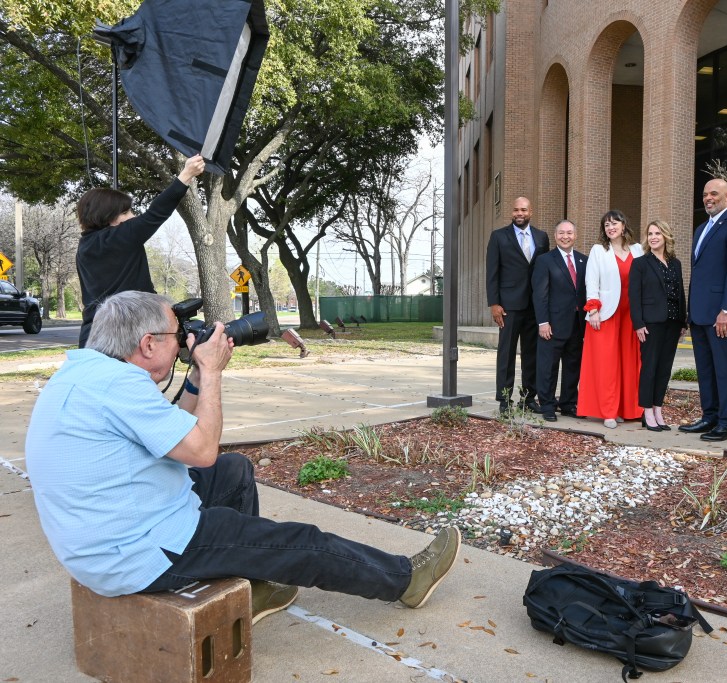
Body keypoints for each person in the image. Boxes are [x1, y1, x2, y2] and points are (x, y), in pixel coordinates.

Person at [26, 291, 460, 619]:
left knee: (234, 470)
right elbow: (201, 451)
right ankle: (405, 580)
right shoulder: (119, 386)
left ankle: (250, 585)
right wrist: (213, 373)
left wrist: (197, 379)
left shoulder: (88, 374)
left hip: (107, 535)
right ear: (147, 344)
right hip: (139, 552)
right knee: (298, 542)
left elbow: (174, 432)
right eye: (176, 335)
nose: (182, 343)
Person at [76, 154, 206, 347]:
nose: (133, 216)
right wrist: (186, 174)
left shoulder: (85, 245)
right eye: (126, 212)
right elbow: (156, 213)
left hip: (92, 335)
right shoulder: (120, 237)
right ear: (107, 216)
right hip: (123, 335)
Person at [679, 179, 727, 442]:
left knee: (724, 369)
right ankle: (709, 416)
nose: (708, 198)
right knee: (705, 369)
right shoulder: (701, 229)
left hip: (721, 315)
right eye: (705, 194)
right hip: (700, 314)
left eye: (714, 193)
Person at [577, 210, 644, 429]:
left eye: (614, 223)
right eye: (607, 225)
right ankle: (608, 412)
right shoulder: (599, 251)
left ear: (624, 226)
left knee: (629, 363)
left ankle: (626, 408)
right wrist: (593, 310)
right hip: (606, 315)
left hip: (631, 316)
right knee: (607, 364)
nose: (611, 228)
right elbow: (591, 281)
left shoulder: (638, 249)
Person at [486, 196, 550, 413]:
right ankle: (504, 399)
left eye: (523, 210)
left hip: (534, 306)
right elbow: (492, 272)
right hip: (508, 306)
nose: (519, 213)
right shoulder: (498, 237)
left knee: (532, 354)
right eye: (516, 210)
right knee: (506, 354)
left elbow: (544, 271)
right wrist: (494, 303)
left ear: (531, 212)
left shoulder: (542, 237)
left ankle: (528, 398)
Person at [629, 220, 686, 431]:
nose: (653, 237)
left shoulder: (675, 263)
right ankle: (646, 411)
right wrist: (638, 324)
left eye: (657, 233)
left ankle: (658, 409)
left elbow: (680, 293)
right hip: (650, 323)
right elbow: (634, 296)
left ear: (666, 236)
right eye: (650, 234)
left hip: (673, 323)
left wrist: (683, 321)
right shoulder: (640, 263)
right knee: (650, 368)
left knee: (664, 369)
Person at [531, 220, 587, 422]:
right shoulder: (545, 260)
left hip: (577, 325)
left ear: (575, 235)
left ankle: (568, 403)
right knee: (548, 367)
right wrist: (543, 322)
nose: (565, 236)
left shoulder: (584, 260)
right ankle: (547, 405)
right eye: (561, 233)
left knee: (573, 366)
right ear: (555, 236)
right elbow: (539, 294)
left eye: (569, 233)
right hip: (552, 325)